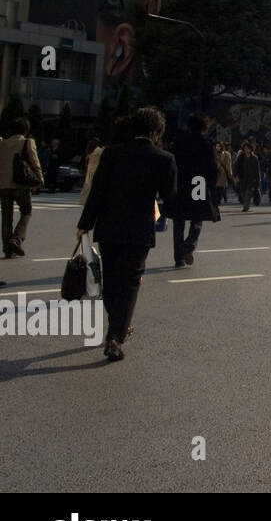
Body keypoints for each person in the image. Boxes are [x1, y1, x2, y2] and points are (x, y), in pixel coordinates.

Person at [76, 106, 178, 361]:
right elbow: (169, 197)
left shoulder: (112, 154)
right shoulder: (164, 158)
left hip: (109, 225)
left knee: (110, 280)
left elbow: (97, 191)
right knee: (131, 281)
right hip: (139, 228)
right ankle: (116, 336)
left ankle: (116, 327)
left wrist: (84, 224)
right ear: (157, 132)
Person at [164, 113, 219, 268]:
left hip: (180, 184)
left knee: (178, 220)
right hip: (199, 184)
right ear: (204, 126)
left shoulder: (179, 142)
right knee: (197, 217)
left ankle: (178, 259)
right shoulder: (207, 143)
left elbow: (171, 163)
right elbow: (213, 168)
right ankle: (188, 245)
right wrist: (212, 188)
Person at [0, 118, 43, 263]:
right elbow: (34, 162)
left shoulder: (2, 143)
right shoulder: (27, 142)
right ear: (26, 130)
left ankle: (7, 249)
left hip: (3, 185)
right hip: (21, 184)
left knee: (6, 217)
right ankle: (16, 239)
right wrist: (40, 179)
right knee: (26, 211)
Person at [236, 140, 261, 212]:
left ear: (251, 149)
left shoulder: (254, 158)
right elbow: (237, 167)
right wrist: (236, 175)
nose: (246, 150)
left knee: (248, 192)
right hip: (243, 178)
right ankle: (247, 203)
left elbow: (257, 170)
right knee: (243, 193)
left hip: (251, 179)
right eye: (245, 148)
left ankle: (245, 207)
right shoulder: (241, 157)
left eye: (248, 148)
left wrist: (258, 180)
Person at [79, 138, 104, 206]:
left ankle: (84, 200)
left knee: (88, 185)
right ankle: (86, 200)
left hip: (92, 168)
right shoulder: (98, 150)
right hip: (93, 168)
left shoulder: (94, 150)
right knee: (89, 185)